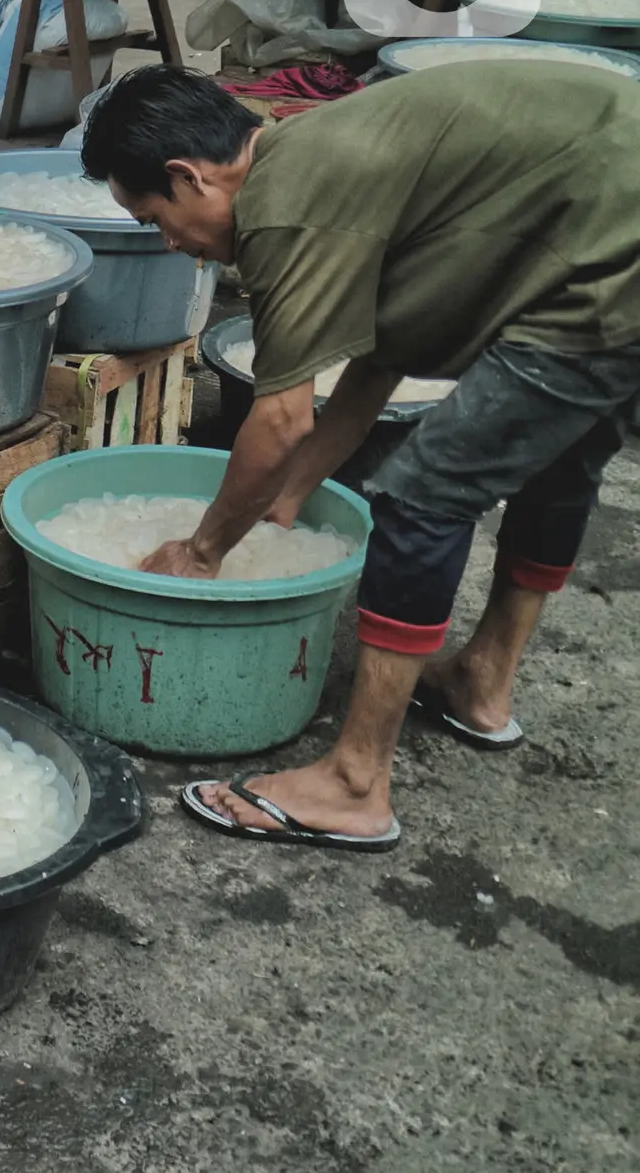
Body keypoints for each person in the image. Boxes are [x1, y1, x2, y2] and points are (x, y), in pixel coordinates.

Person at [79, 61, 640, 852]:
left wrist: (202, 552)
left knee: (420, 498)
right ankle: (483, 682)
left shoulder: (282, 207)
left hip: (606, 252)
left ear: (190, 176)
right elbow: (379, 352)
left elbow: (277, 416)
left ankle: (353, 784)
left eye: (153, 218)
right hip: (613, 210)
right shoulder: (313, 157)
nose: (171, 243)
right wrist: (292, 493)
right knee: (561, 459)